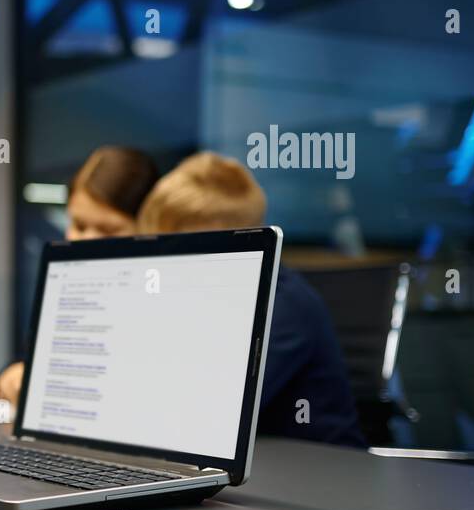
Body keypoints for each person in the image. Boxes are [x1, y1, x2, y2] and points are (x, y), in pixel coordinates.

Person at [136, 152, 366, 448]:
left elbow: (210, 411)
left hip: (322, 471)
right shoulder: (201, 300)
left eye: (177, 248)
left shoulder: (284, 305)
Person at [0, 146, 159, 406]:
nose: (86, 241)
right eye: (79, 225)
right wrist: (8, 380)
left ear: (148, 226)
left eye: (108, 229)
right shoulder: (64, 292)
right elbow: (23, 364)